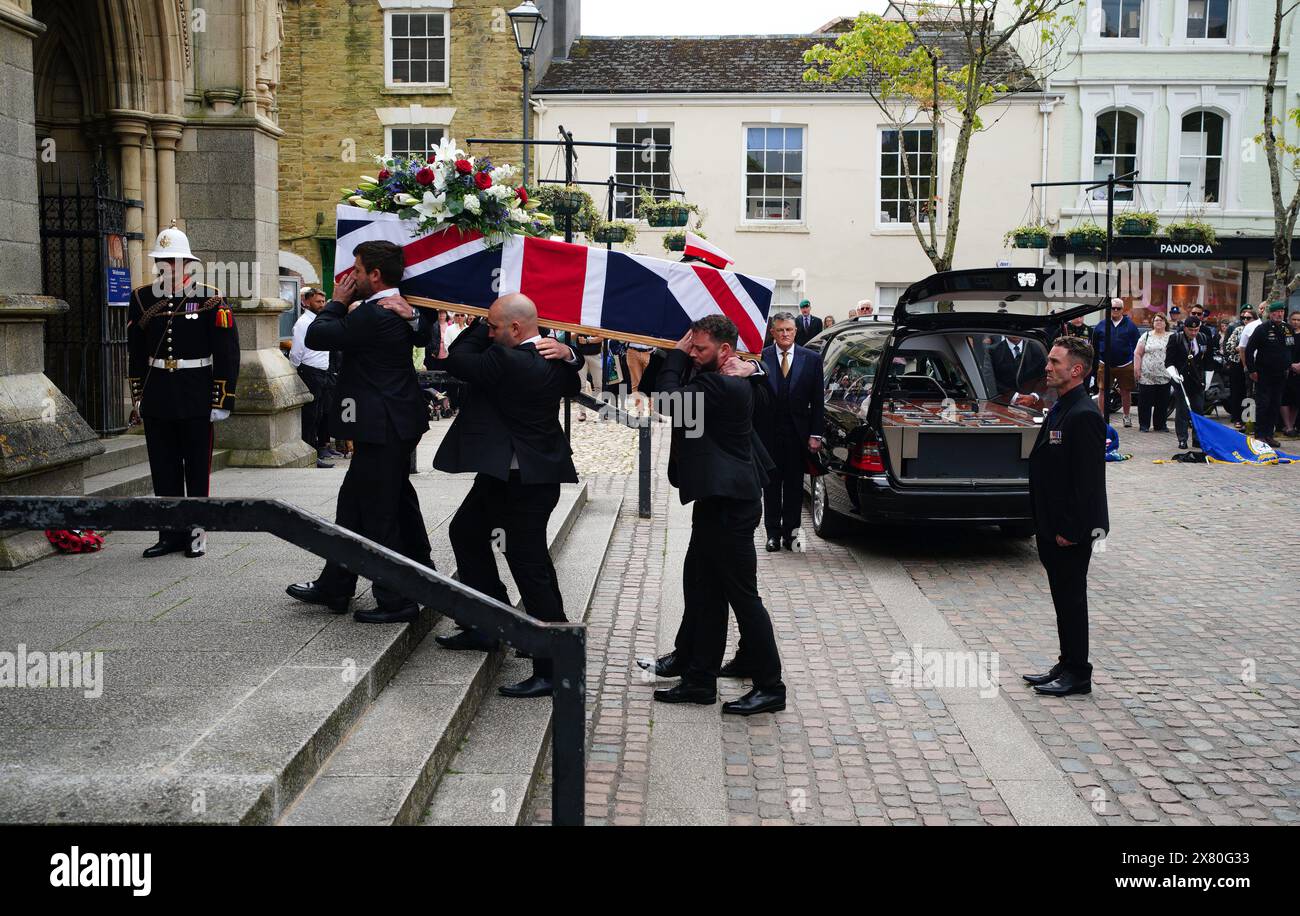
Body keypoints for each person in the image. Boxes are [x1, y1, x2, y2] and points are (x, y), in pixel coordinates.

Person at [429, 295, 584, 699]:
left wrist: (480, 319)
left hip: (526, 481)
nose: (490, 333)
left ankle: (553, 663)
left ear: (515, 330)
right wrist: (570, 352)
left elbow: (459, 355)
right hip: (513, 473)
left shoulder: (506, 360)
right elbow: (574, 378)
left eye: (496, 327)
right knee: (466, 532)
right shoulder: (554, 360)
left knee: (528, 563)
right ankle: (489, 623)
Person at [639, 316, 785, 715]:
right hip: (716, 499)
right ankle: (699, 678)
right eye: (692, 346)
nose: (692, 353)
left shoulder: (723, 383)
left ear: (725, 351)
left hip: (730, 504)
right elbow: (656, 386)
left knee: (743, 596)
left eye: (699, 348)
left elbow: (669, 402)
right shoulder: (721, 374)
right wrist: (676, 355)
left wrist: (675, 354)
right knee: (703, 588)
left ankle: (771, 684)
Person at [285, 240, 435, 624]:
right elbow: (422, 331)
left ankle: (398, 598)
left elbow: (318, 335)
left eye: (356, 268)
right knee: (366, 502)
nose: (350, 275)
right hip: (390, 424)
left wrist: (335, 301)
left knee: (377, 511)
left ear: (374, 275)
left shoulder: (377, 313)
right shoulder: (392, 309)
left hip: (383, 425)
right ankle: (339, 584)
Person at [126, 226, 239, 559]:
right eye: (162, 261)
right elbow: (135, 353)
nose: (167, 267)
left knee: (196, 468)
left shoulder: (210, 298)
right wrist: (139, 395)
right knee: (164, 467)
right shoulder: (142, 298)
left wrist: (221, 399)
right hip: (160, 393)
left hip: (196, 393)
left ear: (187, 264)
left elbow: (227, 352)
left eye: (173, 261)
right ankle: (169, 534)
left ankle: (196, 532)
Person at [1022, 336, 1108, 698]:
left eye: (1055, 362)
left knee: (1072, 599)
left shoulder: (1085, 415)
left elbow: (1088, 482)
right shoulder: (1061, 406)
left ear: (1076, 370)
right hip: (1051, 523)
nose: (1047, 367)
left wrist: (1072, 530)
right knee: (1062, 597)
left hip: (1069, 529)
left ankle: (1079, 673)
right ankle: (1067, 661)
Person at [757, 312, 824, 551]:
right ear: (772, 332)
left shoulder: (812, 359)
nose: (785, 334)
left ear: (796, 331)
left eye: (789, 330)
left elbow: (818, 401)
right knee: (771, 486)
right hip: (768, 434)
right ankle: (773, 535)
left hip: (798, 435)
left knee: (795, 488)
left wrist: (816, 434)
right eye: (780, 330)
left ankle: (791, 535)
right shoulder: (760, 358)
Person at [289, 286, 341, 468]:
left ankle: (315, 451)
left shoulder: (319, 321)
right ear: (306, 302)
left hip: (322, 372)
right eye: (317, 301)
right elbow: (296, 352)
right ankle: (309, 453)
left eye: (322, 301)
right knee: (310, 415)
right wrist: (296, 370)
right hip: (309, 371)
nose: (321, 305)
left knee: (319, 414)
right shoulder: (304, 323)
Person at [1244, 301, 1296, 448]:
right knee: (1264, 404)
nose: (1279, 314)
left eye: (1282, 312)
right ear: (1270, 313)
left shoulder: (1288, 329)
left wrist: (1289, 364)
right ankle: (1260, 435)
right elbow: (1249, 350)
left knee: (1275, 404)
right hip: (1264, 374)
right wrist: (1252, 370)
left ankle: (1269, 435)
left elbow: (1291, 349)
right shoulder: (1262, 329)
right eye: (1276, 312)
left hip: (1281, 374)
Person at [1093, 297, 1140, 427]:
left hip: (1125, 363)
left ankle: (1126, 416)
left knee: (1125, 390)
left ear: (1122, 310)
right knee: (1102, 390)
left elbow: (1137, 345)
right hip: (1104, 363)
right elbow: (1095, 344)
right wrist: (1096, 362)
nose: (1115, 310)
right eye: (1112, 308)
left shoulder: (1130, 325)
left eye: (1118, 308)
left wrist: (1135, 364)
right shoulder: (1101, 325)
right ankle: (1101, 417)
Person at [1165, 315, 1209, 451]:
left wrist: (1207, 378)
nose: (1194, 333)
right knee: (1182, 410)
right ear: (1185, 328)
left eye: (1196, 330)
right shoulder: (1176, 338)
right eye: (1191, 330)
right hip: (1181, 379)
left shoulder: (1203, 338)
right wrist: (1174, 374)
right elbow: (1169, 361)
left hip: (1197, 380)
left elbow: (1208, 360)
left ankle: (1197, 439)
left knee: (1198, 410)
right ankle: (1182, 439)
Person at [1133, 312, 1172, 432]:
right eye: (1156, 320)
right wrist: (1137, 369)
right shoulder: (1146, 336)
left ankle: (1160, 425)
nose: (1158, 322)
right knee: (1145, 402)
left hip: (1165, 375)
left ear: (1166, 323)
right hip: (1146, 375)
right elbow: (1137, 353)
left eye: (1161, 320)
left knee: (1162, 402)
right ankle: (1144, 425)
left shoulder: (1172, 336)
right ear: (1153, 323)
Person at [1223, 305, 1256, 430]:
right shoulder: (1237, 329)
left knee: (1251, 393)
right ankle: (1237, 417)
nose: (1246, 320)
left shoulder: (1258, 329)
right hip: (1237, 364)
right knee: (1238, 392)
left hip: (1253, 364)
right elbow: (1228, 347)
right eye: (1244, 317)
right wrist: (1239, 349)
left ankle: (1249, 420)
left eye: (1249, 318)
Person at [990, 335, 1046, 399]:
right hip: (1003, 401)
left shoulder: (1035, 348)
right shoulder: (993, 351)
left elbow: (1044, 375)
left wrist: (1034, 395)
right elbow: (990, 378)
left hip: (1033, 401)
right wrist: (1014, 396)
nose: (1015, 334)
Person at [575, 332, 604, 421]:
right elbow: (571, 335)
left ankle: (600, 411)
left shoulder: (597, 322)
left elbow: (602, 337)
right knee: (581, 385)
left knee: (598, 384)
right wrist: (577, 331)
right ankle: (582, 412)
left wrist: (587, 341)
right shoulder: (580, 321)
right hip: (581, 356)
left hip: (595, 355)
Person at [1281, 310, 1300, 437]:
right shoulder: (1285, 334)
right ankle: (1287, 426)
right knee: (1284, 399)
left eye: (1299, 320)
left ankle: (1292, 425)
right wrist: (1290, 365)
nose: (1296, 322)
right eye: (1294, 319)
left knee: (1296, 400)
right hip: (1286, 370)